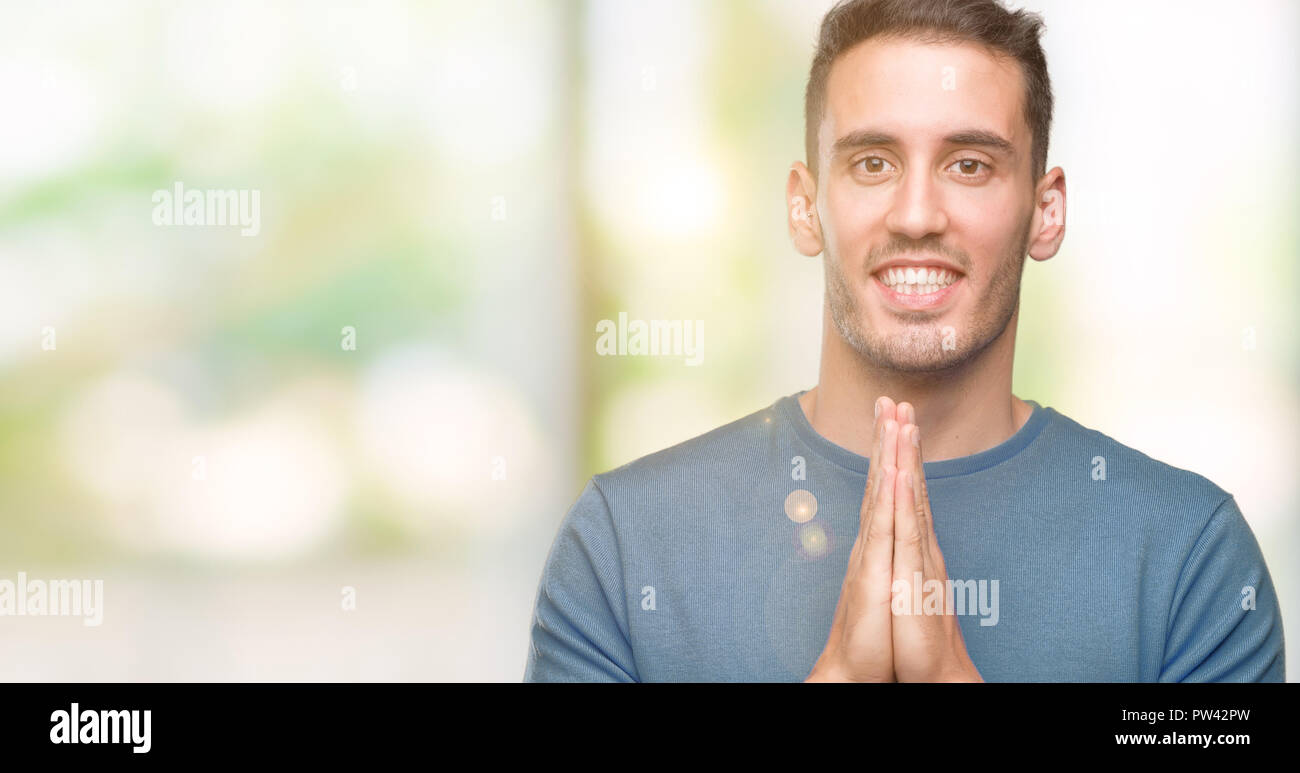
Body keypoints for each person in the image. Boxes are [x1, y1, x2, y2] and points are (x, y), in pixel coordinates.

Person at [523, 0, 1285, 682]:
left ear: (1045, 212)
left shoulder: (1193, 562)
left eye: (969, 164)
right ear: (805, 206)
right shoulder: (623, 547)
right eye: (873, 162)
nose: (917, 213)